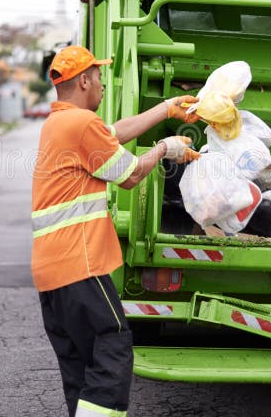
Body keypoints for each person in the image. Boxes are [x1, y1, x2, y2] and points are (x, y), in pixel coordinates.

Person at [31, 45, 200, 417]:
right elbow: (131, 176)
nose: (104, 84)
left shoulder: (60, 123)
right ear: (84, 80)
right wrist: (164, 148)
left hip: (52, 272)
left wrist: (166, 108)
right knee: (113, 344)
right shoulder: (80, 124)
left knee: (82, 363)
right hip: (80, 264)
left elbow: (113, 135)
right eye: (99, 77)